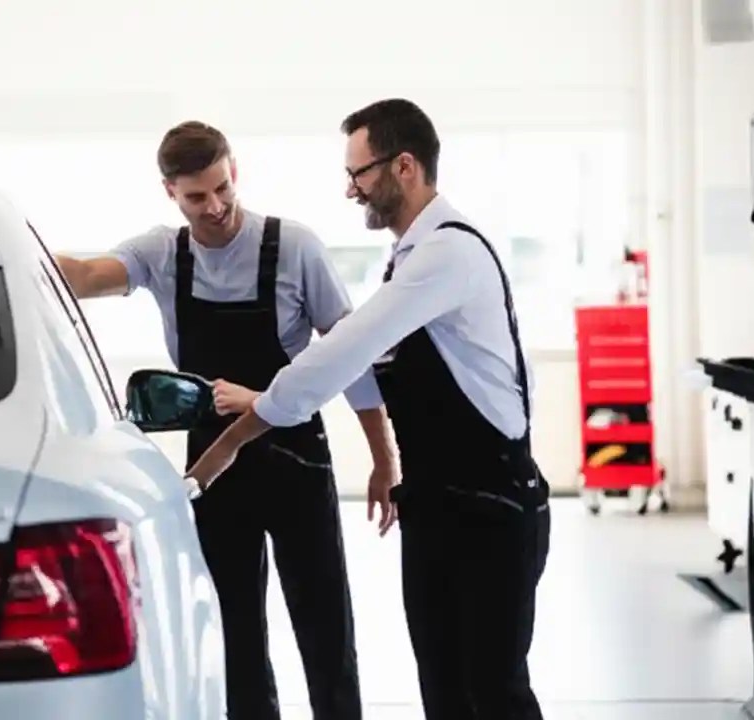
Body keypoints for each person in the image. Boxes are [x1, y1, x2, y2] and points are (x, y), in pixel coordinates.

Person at [186, 99, 553, 720]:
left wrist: (241, 427)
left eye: (359, 173)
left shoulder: (447, 255)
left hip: (493, 511)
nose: (350, 189)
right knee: (446, 692)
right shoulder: (409, 257)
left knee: (493, 695)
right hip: (440, 506)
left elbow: (344, 349)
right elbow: (364, 363)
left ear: (404, 166)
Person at [54, 120, 398, 720]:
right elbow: (81, 278)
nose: (214, 207)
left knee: (323, 622)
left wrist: (383, 457)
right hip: (212, 462)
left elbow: (351, 356)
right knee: (232, 623)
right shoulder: (161, 253)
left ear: (234, 171)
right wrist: (0, 245)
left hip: (295, 453)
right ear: (171, 193)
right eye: (196, 196)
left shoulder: (294, 247)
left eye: (221, 188)